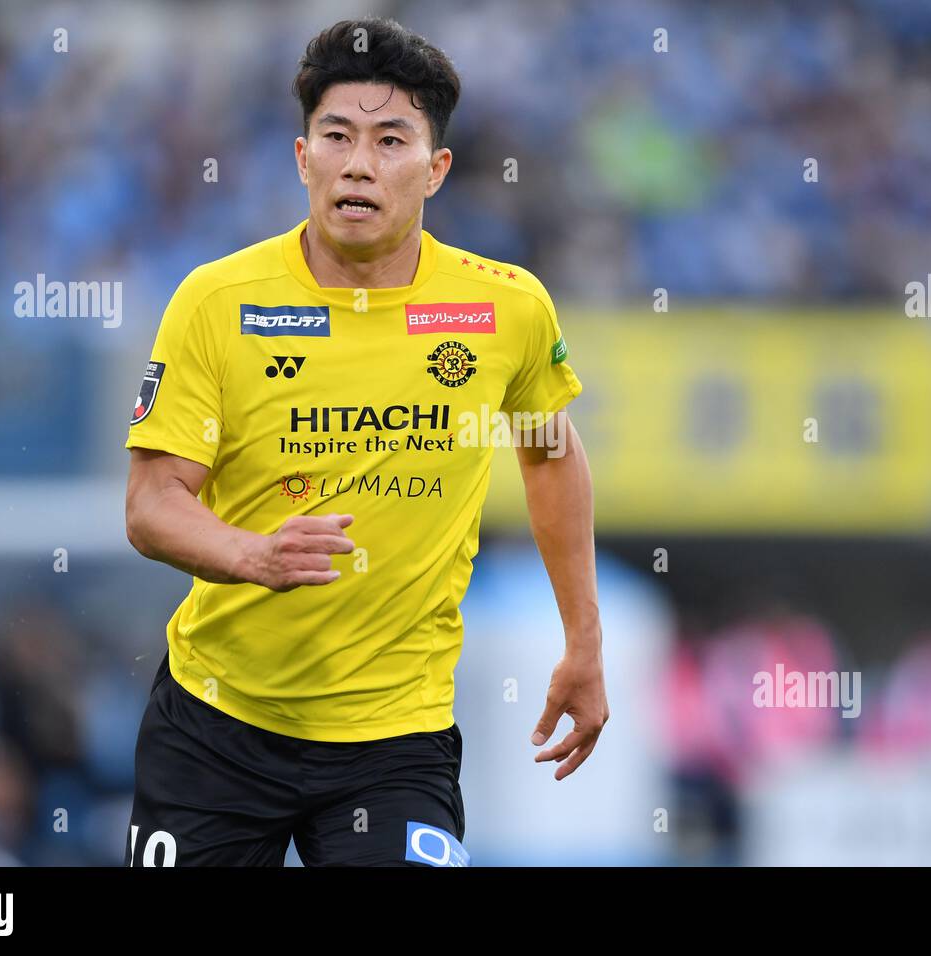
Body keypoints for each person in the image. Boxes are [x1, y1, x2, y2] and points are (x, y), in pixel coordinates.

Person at [121, 17, 607, 866]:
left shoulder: (506, 310)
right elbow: (152, 505)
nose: (358, 163)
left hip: (395, 742)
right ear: (303, 158)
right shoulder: (216, 302)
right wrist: (252, 555)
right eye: (336, 136)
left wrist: (585, 641)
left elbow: (549, 454)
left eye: (390, 140)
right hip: (216, 725)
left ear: (436, 169)